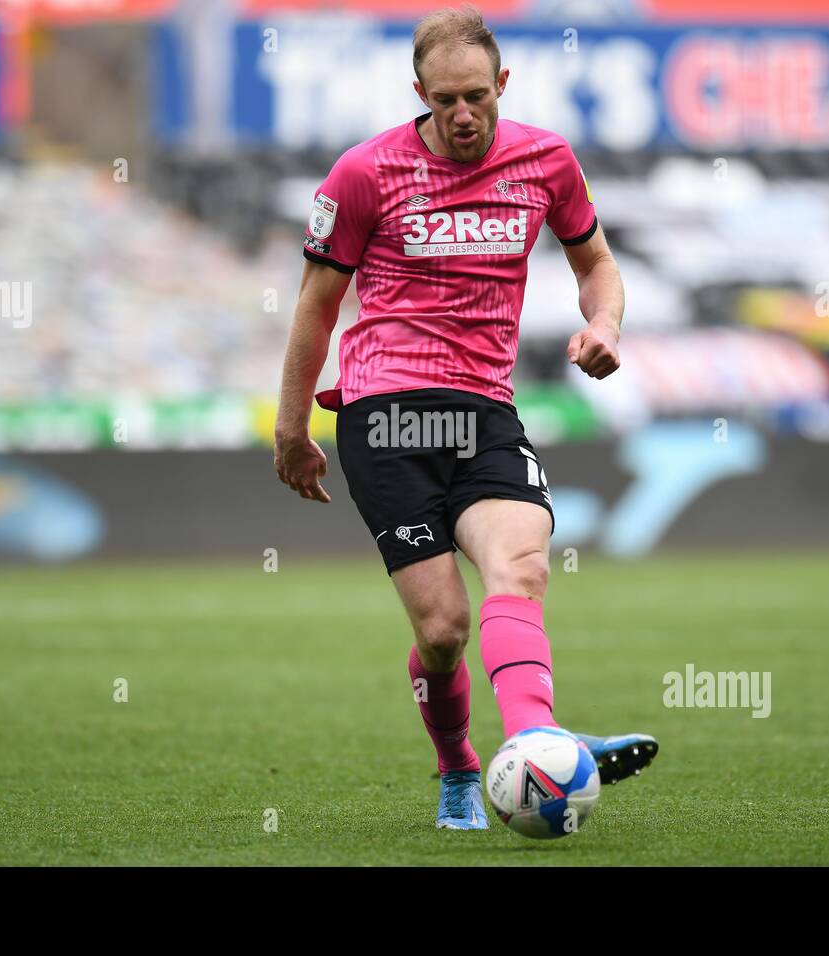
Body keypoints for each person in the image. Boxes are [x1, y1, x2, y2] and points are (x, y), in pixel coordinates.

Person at [274, 5, 656, 830]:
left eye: (476, 97)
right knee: (443, 630)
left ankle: (536, 738)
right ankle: (458, 766)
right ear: (419, 92)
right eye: (444, 99)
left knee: (520, 568)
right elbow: (316, 307)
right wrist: (291, 426)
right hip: (388, 415)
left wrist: (605, 325)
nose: (461, 115)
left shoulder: (547, 161)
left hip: (485, 408)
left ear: (502, 86)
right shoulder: (364, 173)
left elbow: (595, 263)